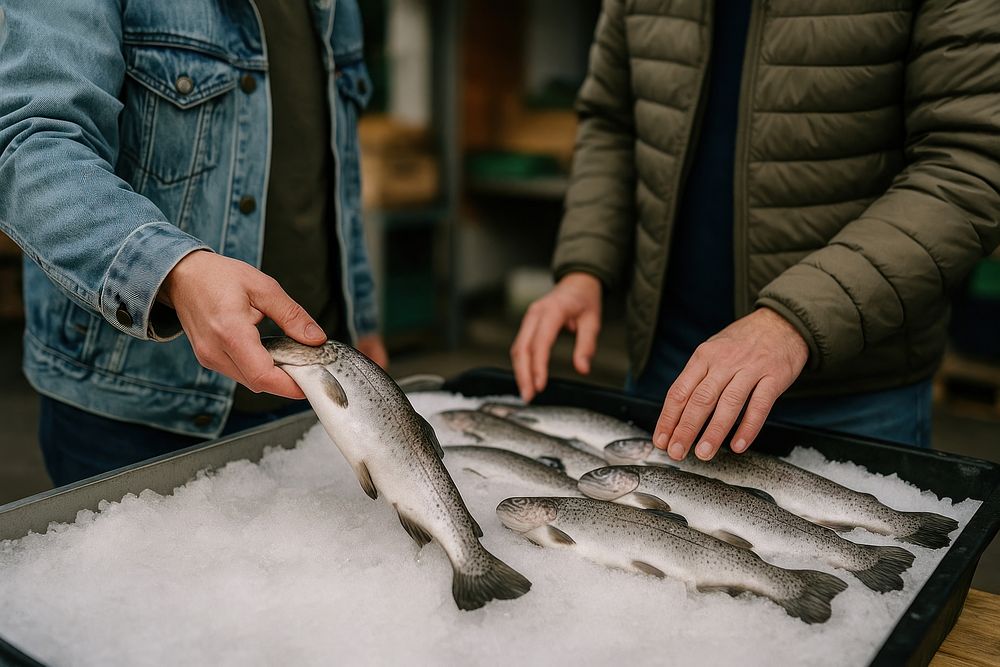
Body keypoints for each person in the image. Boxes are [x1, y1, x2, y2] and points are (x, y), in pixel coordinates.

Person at [512, 1, 1000, 461]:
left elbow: (971, 162)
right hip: (670, 374)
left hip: (852, 395)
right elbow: (612, 122)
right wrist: (585, 265)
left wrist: (795, 320)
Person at [0, 0, 386, 485]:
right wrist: (174, 269)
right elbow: (30, 140)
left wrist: (361, 321)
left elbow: (330, 167)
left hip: (314, 396)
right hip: (135, 414)